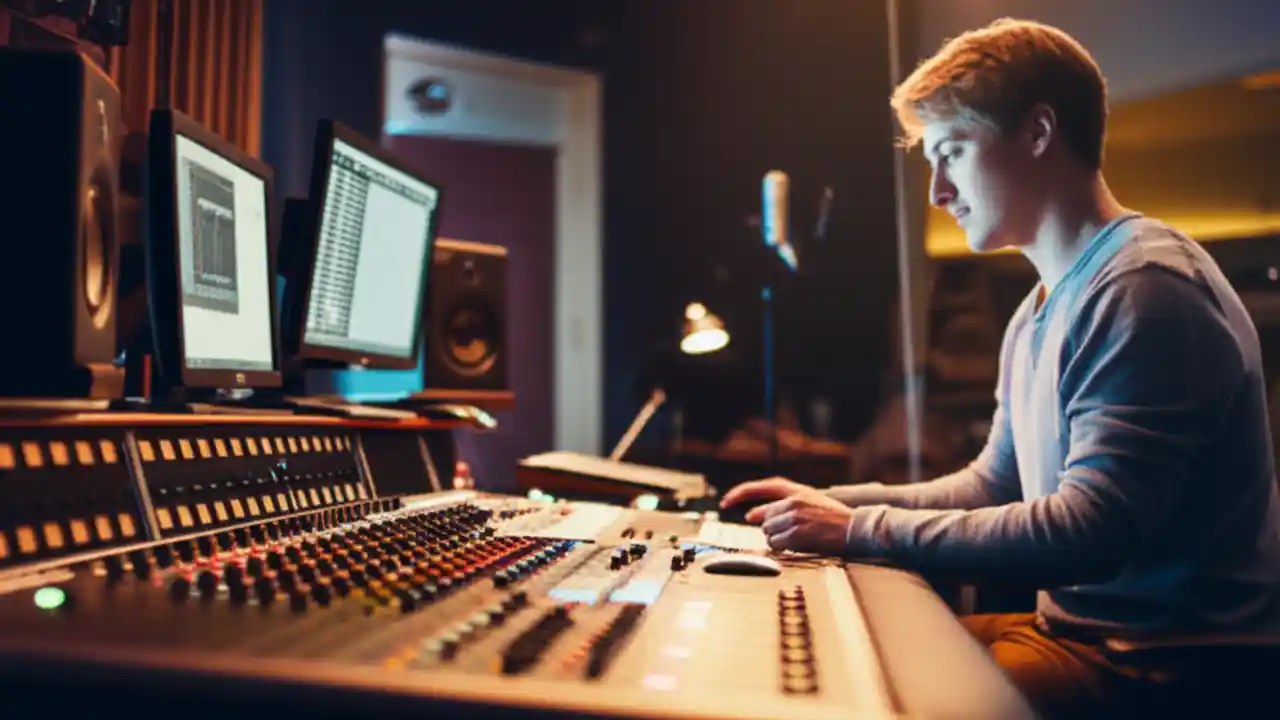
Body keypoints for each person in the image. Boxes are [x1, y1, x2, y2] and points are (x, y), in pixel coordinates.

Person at [720, 17, 1280, 718]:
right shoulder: (1039, 306)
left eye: (951, 153)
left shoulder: (1144, 288)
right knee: (844, 656)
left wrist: (858, 530)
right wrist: (830, 503)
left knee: (890, 698)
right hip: (1083, 636)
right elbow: (993, 484)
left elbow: (1093, 532)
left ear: (1038, 132)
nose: (938, 191)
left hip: (1173, 661)